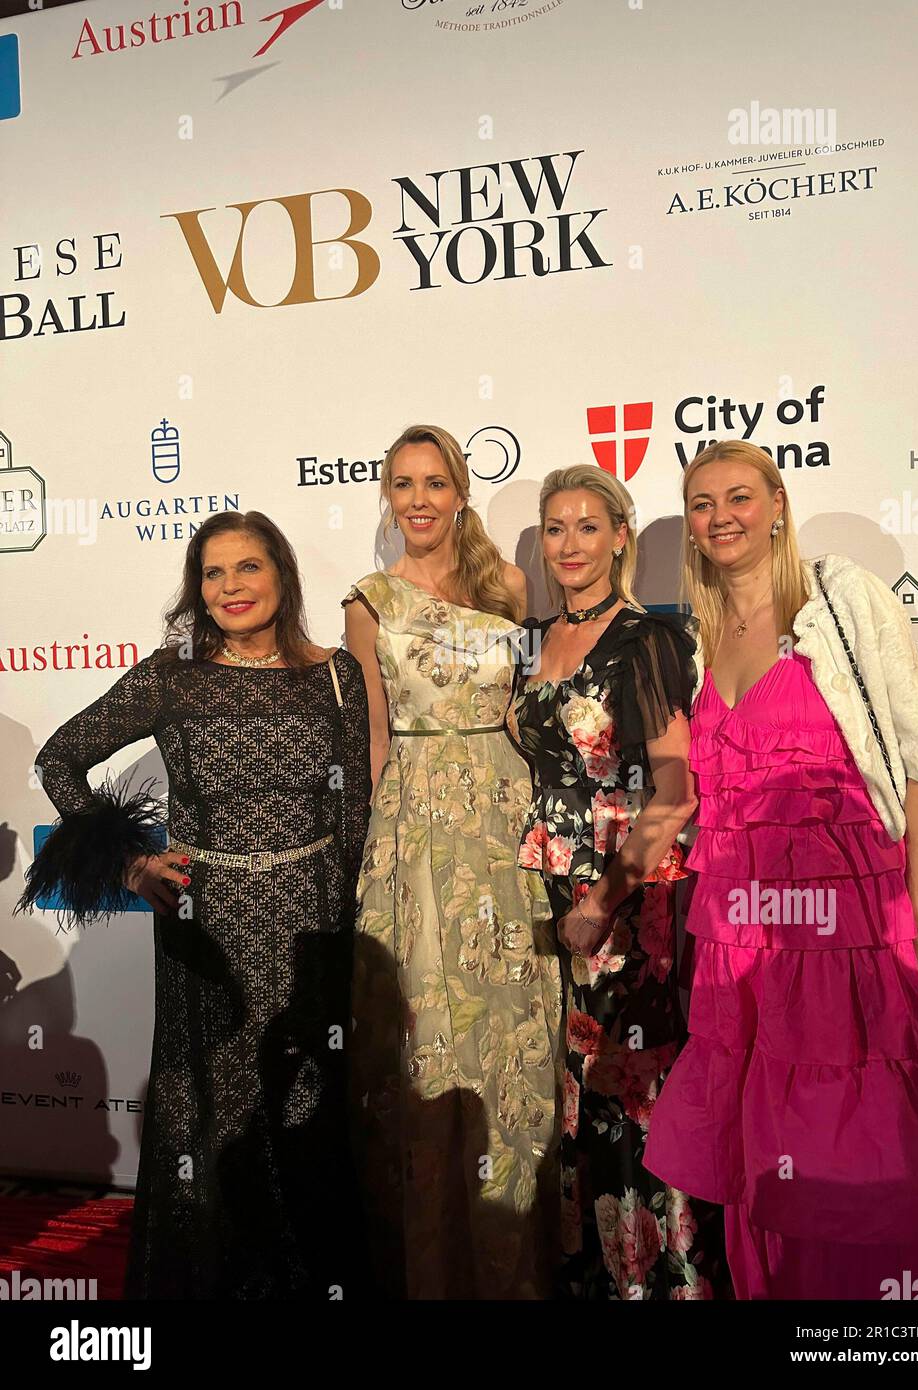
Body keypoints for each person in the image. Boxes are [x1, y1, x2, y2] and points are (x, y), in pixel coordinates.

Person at [644, 439, 918, 1299]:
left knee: (857, 1128)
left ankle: (875, 1326)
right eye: (703, 502)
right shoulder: (695, 633)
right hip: (740, 934)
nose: (721, 517)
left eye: (739, 497)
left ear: (778, 504)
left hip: (848, 929)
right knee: (761, 1138)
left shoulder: (840, 598)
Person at [18, 510, 371, 1299]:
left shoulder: (339, 675)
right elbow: (60, 760)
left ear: (281, 573)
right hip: (202, 927)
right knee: (210, 1115)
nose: (230, 587)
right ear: (196, 590)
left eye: (247, 568)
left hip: (310, 927)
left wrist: (347, 932)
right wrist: (132, 861)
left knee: (305, 1113)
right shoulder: (171, 675)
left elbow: (352, 820)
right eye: (213, 573)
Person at [343, 424, 562, 1299]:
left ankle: (513, 1260)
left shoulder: (506, 584)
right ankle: (434, 1270)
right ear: (388, 499)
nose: (420, 500)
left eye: (435, 482)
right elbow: (372, 738)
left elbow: (524, 708)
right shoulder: (369, 602)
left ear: (461, 492)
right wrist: (380, 851)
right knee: (435, 1038)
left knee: (509, 1030)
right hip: (418, 826)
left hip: (502, 821)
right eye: (403, 485)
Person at [511, 463, 730, 1300]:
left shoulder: (648, 640)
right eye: (555, 529)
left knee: (632, 1090)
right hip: (553, 887)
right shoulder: (532, 637)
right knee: (581, 1092)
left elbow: (673, 795)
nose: (569, 545)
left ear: (620, 538)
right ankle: (603, 1274)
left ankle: (669, 1279)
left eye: (587, 527)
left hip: (625, 893)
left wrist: (603, 902)